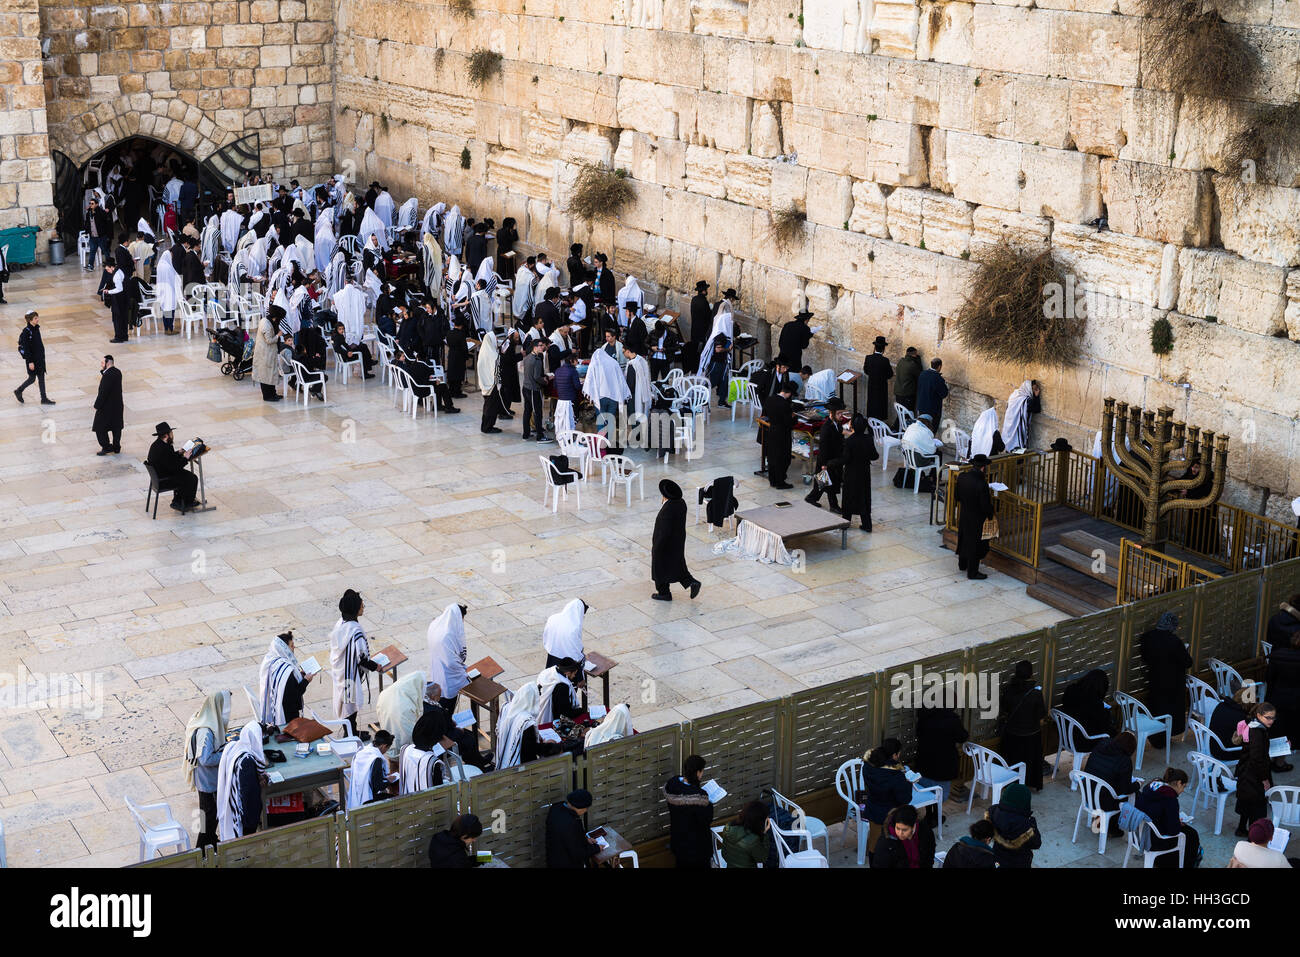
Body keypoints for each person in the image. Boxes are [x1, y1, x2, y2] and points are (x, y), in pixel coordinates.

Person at [183, 690, 230, 850]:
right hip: (208, 783)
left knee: (208, 817)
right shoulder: (206, 732)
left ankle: (212, 843)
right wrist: (226, 753)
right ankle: (201, 851)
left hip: (205, 780)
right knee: (207, 819)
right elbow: (205, 758)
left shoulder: (204, 720)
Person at [329, 589, 379, 736]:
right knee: (350, 703)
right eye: (362, 606)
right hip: (349, 673)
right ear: (355, 609)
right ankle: (351, 735)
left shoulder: (341, 623)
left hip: (340, 670)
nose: (363, 608)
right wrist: (376, 666)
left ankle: (351, 731)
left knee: (346, 703)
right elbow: (362, 658)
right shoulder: (355, 630)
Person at [1138, 612, 1194, 738]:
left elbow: (1145, 657)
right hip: (1172, 683)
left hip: (1154, 679)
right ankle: (1168, 735)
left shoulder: (1147, 637)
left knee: (1157, 709)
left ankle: (1156, 736)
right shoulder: (1174, 641)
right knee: (1170, 712)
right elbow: (1187, 662)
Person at [1134, 767, 1200, 868]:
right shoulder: (1170, 799)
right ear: (1178, 783)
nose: (1182, 791)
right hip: (1154, 840)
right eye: (1183, 786)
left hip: (1140, 833)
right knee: (1191, 834)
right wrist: (1178, 823)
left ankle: (1161, 861)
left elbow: (1157, 811)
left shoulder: (1150, 787)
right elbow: (1173, 831)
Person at [861, 737, 913, 858]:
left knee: (873, 845)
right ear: (894, 755)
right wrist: (908, 783)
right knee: (889, 848)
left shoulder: (868, 766)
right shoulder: (895, 776)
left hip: (873, 809)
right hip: (890, 815)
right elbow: (905, 799)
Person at [999, 660, 1047, 790]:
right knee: (1029, 762)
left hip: (1011, 734)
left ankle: (1009, 783)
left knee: (1012, 760)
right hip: (1031, 736)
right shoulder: (1035, 693)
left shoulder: (1008, 689)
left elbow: (1005, 709)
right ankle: (1028, 784)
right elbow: (1041, 718)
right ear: (1031, 674)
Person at [651, 479, 701, 602]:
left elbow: (664, 531)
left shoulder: (667, 510)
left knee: (659, 567)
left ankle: (664, 593)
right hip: (677, 541)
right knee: (677, 565)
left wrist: (657, 548)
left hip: (665, 544)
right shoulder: (681, 503)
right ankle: (691, 582)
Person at [216, 720, 266, 841]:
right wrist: (250, 821)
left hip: (231, 807)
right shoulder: (247, 761)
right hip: (244, 816)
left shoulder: (234, 748)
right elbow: (248, 793)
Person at [1235, 701, 1277, 836]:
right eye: (1268, 718)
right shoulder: (1257, 732)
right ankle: (1252, 838)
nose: (1271, 721)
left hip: (1247, 774)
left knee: (1246, 804)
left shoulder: (1253, 725)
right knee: (1256, 809)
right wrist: (1264, 779)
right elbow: (1257, 758)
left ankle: (1241, 829)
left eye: (1273, 718)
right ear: (1259, 715)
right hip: (1253, 776)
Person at [1087, 732, 1141, 836]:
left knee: (1110, 787)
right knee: (1134, 795)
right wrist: (1138, 784)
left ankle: (1098, 821)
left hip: (1088, 793)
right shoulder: (1125, 761)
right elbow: (1126, 789)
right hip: (1105, 801)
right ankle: (1114, 828)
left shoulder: (1101, 745)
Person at [915, 704, 969, 808]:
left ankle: (930, 817)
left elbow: (918, 733)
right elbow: (962, 736)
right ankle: (935, 818)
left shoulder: (925, 715)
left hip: (924, 762)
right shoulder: (952, 719)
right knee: (941, 797)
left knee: (926, 793)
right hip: (943, 766)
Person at [665, 754, 714, 868]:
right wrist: (709, 804)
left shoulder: (672, 785)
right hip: (696, 848)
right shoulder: (700, 797)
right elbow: (706, 819)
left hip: (678, 841)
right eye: (702, 771)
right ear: (697, 773)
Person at [832, 413, 879, 532]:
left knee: (848, 498)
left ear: (852, 426)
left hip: (851, 474)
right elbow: (875, 456)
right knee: (864, 497)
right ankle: (867, 525)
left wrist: (831, 463)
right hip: (864, 473)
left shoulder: (850, 441)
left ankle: (845, 523)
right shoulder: (868, 439)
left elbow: (845, 459)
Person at [258, 630, 312, 726]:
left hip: (273, 705)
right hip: (287, 715)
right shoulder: (286, 669)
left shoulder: (270, 660)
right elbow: (294, 695)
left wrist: (300, 676)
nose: (294, 647)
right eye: (291, 645)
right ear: (284, 648)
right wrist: (306, 681)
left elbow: (286, 683)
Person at [955, 453, 996, 580]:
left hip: (964, 513)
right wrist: (991, 514)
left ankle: (962, 564)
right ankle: (972, 572)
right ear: (983, 468)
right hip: (976, 518)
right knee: (975, 544)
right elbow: (985, 505)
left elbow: (957, 496)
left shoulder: (962, 477)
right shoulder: (981, 483)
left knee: (964, 538)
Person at [426, 602, 471, 712]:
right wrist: (463, 672)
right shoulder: (447, 635)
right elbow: (451, 662)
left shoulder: (436, 625)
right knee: (447, 706)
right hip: (449, 675)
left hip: (437, 668)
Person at [147, 421, 200, 511]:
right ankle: (184, 502)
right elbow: (175, 467)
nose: (172, 434)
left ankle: (178, 500)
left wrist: (179, 452)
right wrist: (186, 458)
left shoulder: (159, 444)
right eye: (171, 433)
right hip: (164, 480)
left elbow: (169, 459)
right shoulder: (164, 448)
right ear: (167, 435)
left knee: (186, 475)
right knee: (192, 478)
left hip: (159, 476)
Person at [1266, 626, 1300, 767]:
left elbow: (1269, 678)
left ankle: (1274, 759)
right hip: (1296, 702)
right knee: (1291, 731)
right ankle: (1280, 763)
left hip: (1277, 698)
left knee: (1277, 730)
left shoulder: (1277, 656)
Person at [986, 782, 1041, 868]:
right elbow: (1037, 844)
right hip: (1019, 863)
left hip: (997, 858)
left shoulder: (992, 812)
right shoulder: (1027, 826)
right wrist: (1033, 823)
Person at [805, 396, 846, 511]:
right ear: (831, 413)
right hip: (827, 460)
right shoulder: (827, 428)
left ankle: (812, 498)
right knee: (827, 483)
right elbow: (823, 448)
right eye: (839, 413)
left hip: (833, 459)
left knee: (825, 483)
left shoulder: (837, 424)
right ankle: (833, 505)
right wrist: (824, 464)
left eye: (841, 413)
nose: (841, 416)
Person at [546, 789, 601, 869]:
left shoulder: (555, 808)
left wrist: (585, 840)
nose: (586, 810)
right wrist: (597, 848)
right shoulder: (570, 822)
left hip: (554, 858)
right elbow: (577, 853)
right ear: (581, 808)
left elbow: (570, 839)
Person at [1060, 668, 1116, 746]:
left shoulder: (1070, 689)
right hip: (1083, 741)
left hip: (1066, 736)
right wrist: (1106, 713)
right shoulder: (1094, 702)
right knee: (1111, 730)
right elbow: (1102, 724)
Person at [495, 681, 542, 769]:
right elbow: (530, 750)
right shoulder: (526, 722)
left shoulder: (506, 707)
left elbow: (498, 730)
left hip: (502, 757)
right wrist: (550, 746)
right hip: (519, 767)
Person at [870, 804, 935, 869]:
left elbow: (929, 855)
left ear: (914, 826)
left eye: (904, 830)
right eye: (898, 828)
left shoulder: (925, 831)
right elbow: (879, 864)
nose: (900, 833)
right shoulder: (886, 842)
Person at [14, 311, 54, 406]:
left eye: (37, 317)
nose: (38, 319)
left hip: (39, 359)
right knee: (32, 379)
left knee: (41, 378)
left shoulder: (36, 328)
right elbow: (26, 349)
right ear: (30, 320)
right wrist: (30, 362)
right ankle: (19, 390)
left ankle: (43, 398)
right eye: (35, 318)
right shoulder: (26, 332)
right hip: (32, 360)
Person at [347, 729, 396, 806]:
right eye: (387, 748)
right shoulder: (376, 760)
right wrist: (389, 780)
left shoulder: (363, 750)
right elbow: (378, 786)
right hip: (367, 798)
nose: (386, 751)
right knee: (394, 799)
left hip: (355, 794)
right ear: (384, 746)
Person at [88, 354, 125, 455]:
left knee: (99, 427)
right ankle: (116, 446)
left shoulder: (108, 375)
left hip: (106, 407)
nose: (101, 364)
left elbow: (103, 392)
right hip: (117, 406)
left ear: (108, 363)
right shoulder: (118, 372)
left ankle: (106, 446)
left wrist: (97, 405)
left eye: (102, 362)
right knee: (116, 426)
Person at [763, 380, 797, 489]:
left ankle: (772, 480)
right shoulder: (785, 404)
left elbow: (766, 414)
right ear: (789, 393)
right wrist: (794, 417)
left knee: (772, 456)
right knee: (783, 458)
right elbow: (789, 422)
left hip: (772, 431)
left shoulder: (769, 399)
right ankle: (780, 482)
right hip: (783, 433)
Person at [536, 658, 584, 725]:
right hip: (551, 719)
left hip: (539, 711)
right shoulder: (562, 687)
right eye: (574, 674)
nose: (574, 676)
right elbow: (564, 713)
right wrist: (582, 711)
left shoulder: (547, 672)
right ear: (567, 673)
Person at [542, 598, 587, 668]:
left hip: (552, 654)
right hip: (568, 662)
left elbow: (546, 635)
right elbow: (576, 648)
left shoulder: (553, 618)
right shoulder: (574, 627)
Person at [252, 306, 283, 401]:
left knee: (271, 373)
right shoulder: (266, 324)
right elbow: (269, 340)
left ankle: (273, 393)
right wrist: (278, 335)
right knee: (265, 374)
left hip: (269, 352)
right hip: (264, 353)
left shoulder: (269, 321)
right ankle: (267, 396)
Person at [521, 336, 549, 441]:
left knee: (527, 411)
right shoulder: (537, 360)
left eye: (543, 345)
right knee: (537, 412)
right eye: (540, 346)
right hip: (533, 389)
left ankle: (526, 433)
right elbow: (537, 377)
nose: (542, 347)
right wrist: (545, 380)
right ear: (535, 347)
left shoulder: (527, 357)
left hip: (526, 387)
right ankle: (540, 436)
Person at [1001, 380, 1042, 451]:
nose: (1034, 391)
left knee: (1009, 447)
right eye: (1033, 389)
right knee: (1017, 446)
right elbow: (1036, 409)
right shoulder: (1025, 401)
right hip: (1017, 428)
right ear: (1028, 388)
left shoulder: (1014, 394)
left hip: (1009, 426)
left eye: (1035, 389)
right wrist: (1036, 396)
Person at [862, 335, 893, 422]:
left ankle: (871, 425)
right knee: (880, 407)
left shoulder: (868, 358)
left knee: (871, 405)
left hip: (871, 386)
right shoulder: (885, 360)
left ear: (875, 347)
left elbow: (866, 370)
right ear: (883, 349)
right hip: (881, 388)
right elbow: (890, 374)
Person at [103, 261, 131, 343]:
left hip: (119, 300)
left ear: (112, 267)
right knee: (123, 318)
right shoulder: (119, 270)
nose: (108, 271)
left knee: (117, 319)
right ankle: (124, 336)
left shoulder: (116, 276)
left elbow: (119, 289)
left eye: (108, 269)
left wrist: (108, 292)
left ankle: (118, 337)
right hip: (123, 299)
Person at [915, 357, 948, 427]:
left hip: (921, 407)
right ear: (939, 366)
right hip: (932, 411)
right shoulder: (938, 378)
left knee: (922, 428)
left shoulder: (922, 374)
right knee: (931, 429)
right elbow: (944, 394)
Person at [894, 346, 921, 414]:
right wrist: (918, 362)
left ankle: (896, 425)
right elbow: (919, 375)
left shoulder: (901, 361)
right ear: (914, 354)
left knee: (900, 414)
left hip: (898, 392)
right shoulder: (912, 365)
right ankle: (896, 425)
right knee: (907, 414)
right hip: (907, 394)